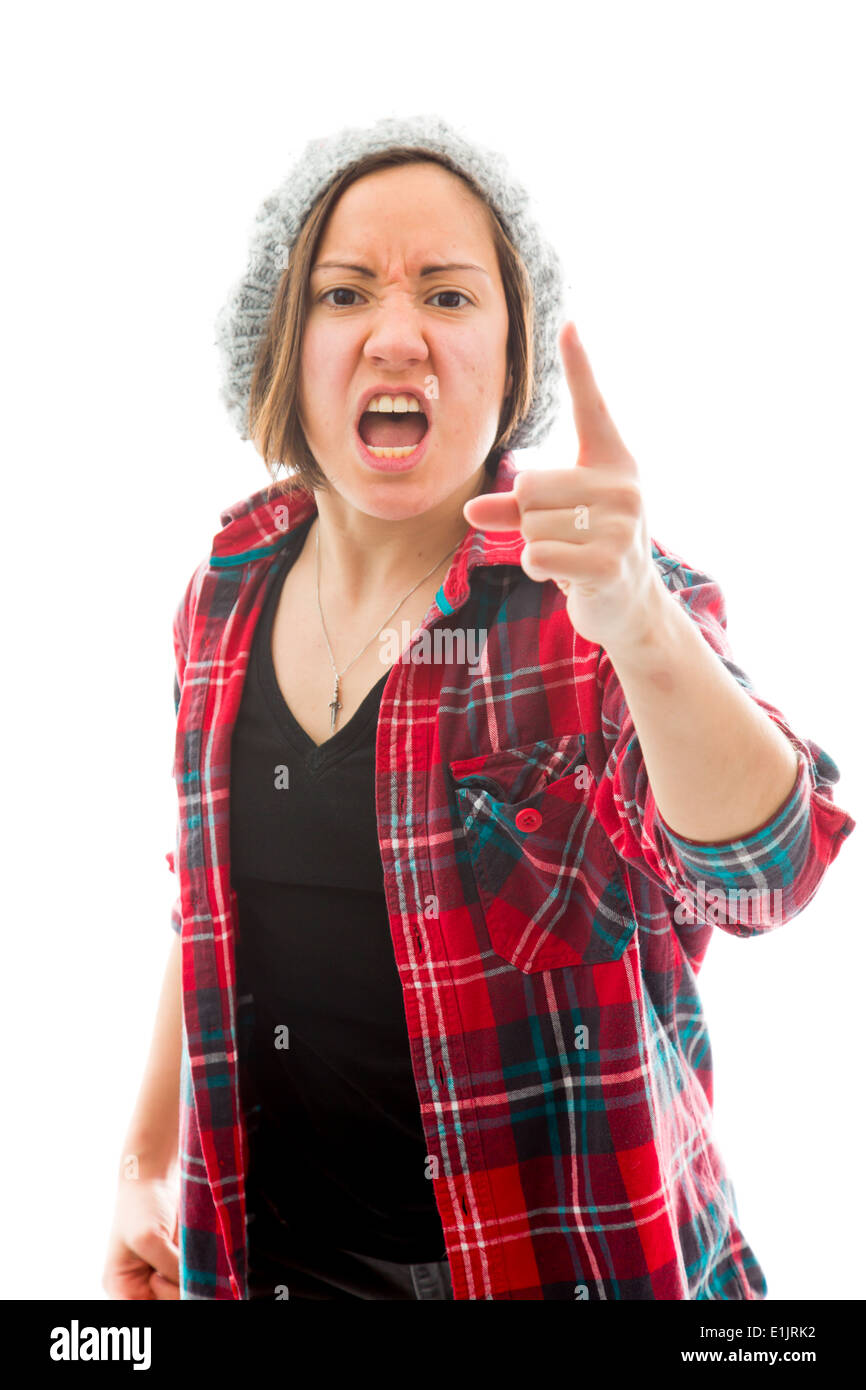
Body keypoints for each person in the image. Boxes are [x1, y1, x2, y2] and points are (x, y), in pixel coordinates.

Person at [103, 114, 855, 1302]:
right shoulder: (222, 596)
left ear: (512, 365)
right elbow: (208, 909)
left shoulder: (594, 602)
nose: (396, 334)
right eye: (345, 292)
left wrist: (639, 622)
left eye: (448, 296)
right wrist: (145, 1164)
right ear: (283, 343)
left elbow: (770, 874)